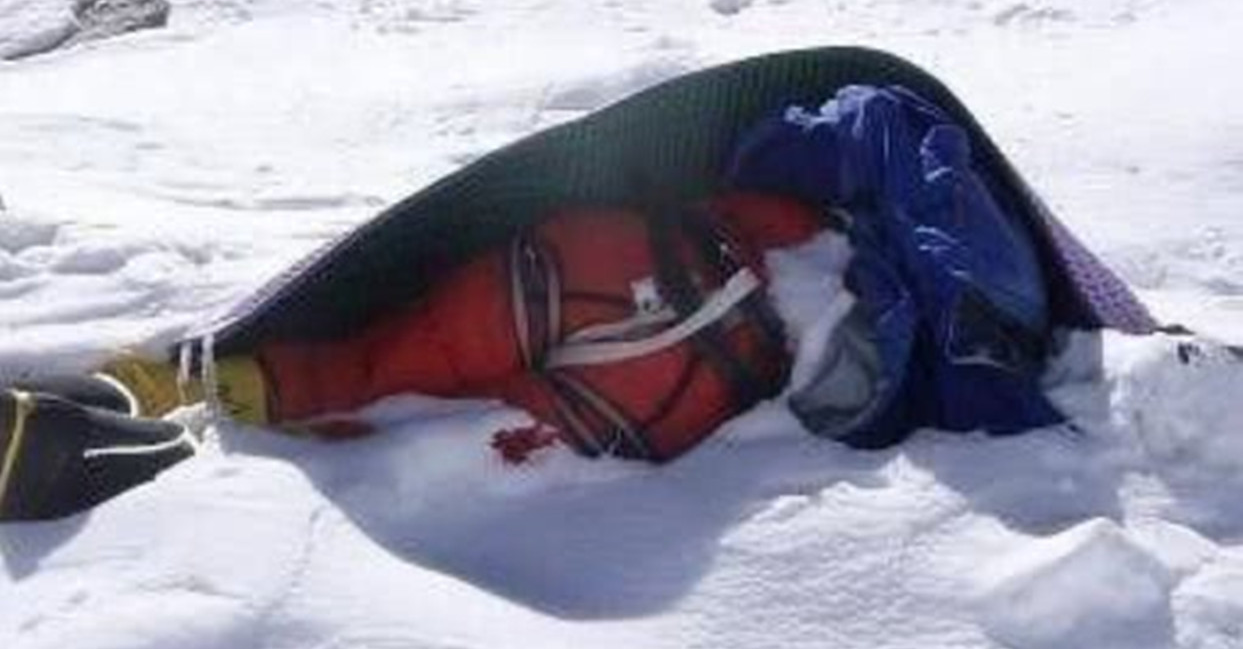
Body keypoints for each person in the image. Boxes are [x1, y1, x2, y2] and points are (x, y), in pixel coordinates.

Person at [1, 192, 834, 521]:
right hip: (674, 348)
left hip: (632, 270)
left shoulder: (852, 190)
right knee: (397, 383)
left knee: (390, 370)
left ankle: (153, 406)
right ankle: (169, 416)